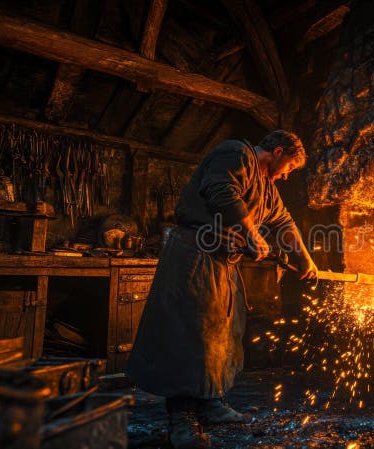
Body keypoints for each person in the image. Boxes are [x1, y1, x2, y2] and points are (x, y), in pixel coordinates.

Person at [126, 130, 318, 449]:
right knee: (188, 335)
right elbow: (221, 191)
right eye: (288, 168)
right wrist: (252, 234)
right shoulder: (236, 153)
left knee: (220, 333)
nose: (286, 176)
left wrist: (305, 258)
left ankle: (211, 402)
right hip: (192, 256)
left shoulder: (268, 189)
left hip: (222, 264)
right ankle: (182, 420)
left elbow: (284, 222)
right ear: (278, 151)